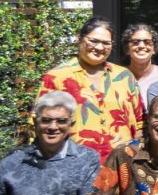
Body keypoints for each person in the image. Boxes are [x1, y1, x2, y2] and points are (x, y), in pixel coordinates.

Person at [40, 17, 143, 162]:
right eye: (94, 41)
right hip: (73, 168)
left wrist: (133, 148)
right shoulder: (56, 77)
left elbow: (140, 123)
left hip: (121, 167)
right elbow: (39, 125)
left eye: (106, 43)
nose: (100, 48)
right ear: (80, 39)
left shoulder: (125, 77)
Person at [122, 23, 158, 109]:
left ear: (154, 49)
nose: (141, 46)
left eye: (147, 42)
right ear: (127, 49)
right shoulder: (116, 76)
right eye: (135, 42)